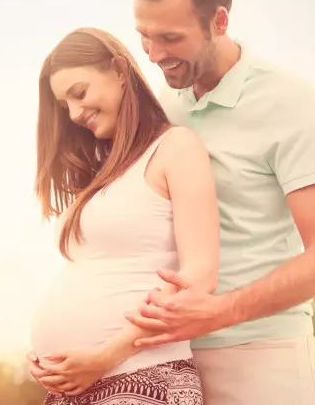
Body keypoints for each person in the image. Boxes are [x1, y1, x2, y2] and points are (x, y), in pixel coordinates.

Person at [32, 0, 315, 404]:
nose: (154, 53)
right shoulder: (168, 105)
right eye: (144, 36)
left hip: (261, 353)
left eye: (170, 38)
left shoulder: (289, 103)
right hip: (168, 358)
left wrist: (218, 312)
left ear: (218, 21)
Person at [27, 27, 219, 404]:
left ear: (118, 70)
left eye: (78, 93)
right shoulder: (102, 174)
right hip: (77, 389)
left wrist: (104, 356)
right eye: (64, 105)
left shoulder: (174, 147)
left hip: (143, 377)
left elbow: (199, 276)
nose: (73, 113)